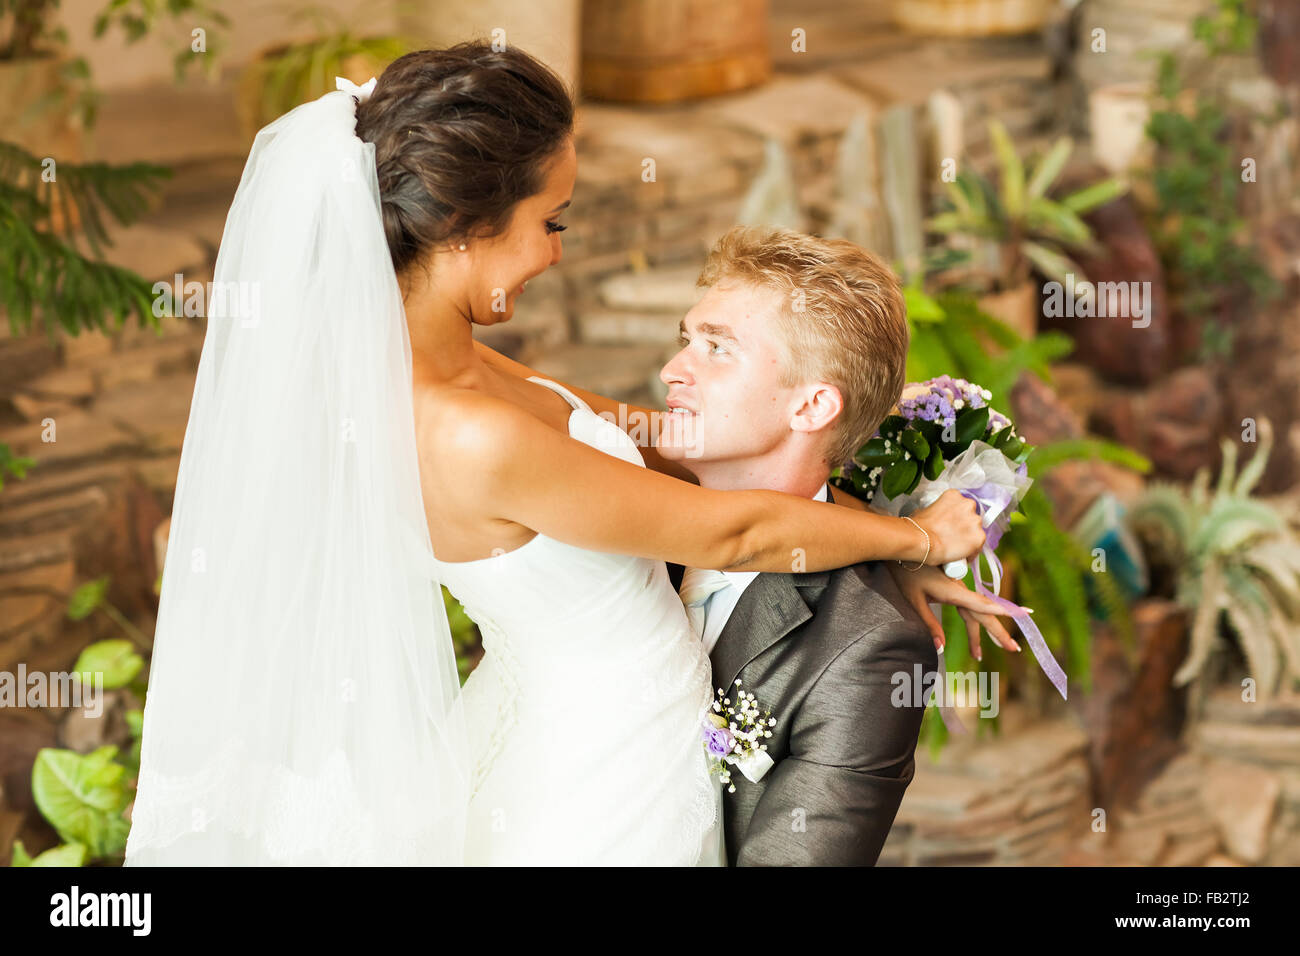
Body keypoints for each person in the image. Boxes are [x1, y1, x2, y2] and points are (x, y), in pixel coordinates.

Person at [125, 42, 995, 866]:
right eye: (551, 220)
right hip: (606, 770)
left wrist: (870, 545)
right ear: (465, 225)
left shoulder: (438, 368)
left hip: (543, 723)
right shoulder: (469, 431)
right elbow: (729, 536)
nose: (555, 250)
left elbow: (651, 441)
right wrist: (915, 540)